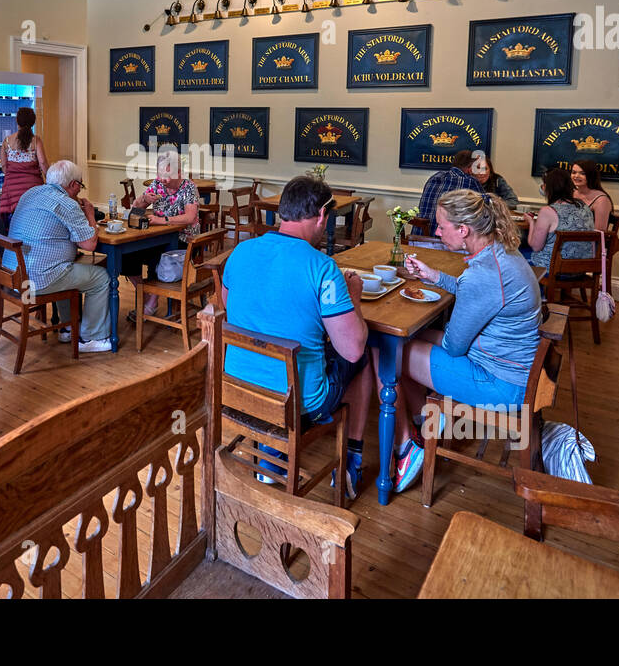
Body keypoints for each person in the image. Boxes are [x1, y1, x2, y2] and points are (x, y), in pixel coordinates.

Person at [220, 175, 373, 499]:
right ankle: (352, 462)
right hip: (298, 402)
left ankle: (272, 459)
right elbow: (352, 349)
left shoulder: (240, 252)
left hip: (235, 386)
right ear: (321, 216)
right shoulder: (323, 267)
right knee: (367, 356)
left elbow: (229, 308)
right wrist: (354, 298)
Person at [387, 189, 542, 492]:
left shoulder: (482, 275)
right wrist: (436, 277)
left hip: (502, 385)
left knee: (389, 351)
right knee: (412, 338)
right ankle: (425, 419)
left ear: (463, 230)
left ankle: (409, 447)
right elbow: (481, 295)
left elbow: (454, 347)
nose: (436, 231)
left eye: (441, 226)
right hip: (517, 368)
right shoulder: (502, 254)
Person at [5, 160, 114, 353]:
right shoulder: (66, 203)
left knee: (64, 266)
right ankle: (91, 338)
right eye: (80, 186)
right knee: (101, 278)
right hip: (35, 280)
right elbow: (89, 244)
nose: (79, 191)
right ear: (74, 185)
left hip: (12, 274)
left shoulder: (31, 193)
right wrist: (90, 215)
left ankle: (68, 327)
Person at [124, 147, 200, 318]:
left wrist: (162, 220)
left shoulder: (189, 188)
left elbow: (190, 217)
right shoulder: (157, 185)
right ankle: (147, 293)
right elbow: (135, 210)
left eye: (167, 176)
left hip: (184, 241)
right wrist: (144, 199)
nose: (163, 180)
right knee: (127, 258)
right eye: (160, 176)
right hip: (156, 238)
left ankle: (151, 303)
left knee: (159, 259)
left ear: (179, 172)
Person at [527, 167, 596, 274]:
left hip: (553, 268)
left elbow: (536, 246)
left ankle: (537, 290)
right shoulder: (584, 206)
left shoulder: (548, 211)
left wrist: (531, 222)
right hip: (582, 268)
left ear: (548, 188)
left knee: (518, 254)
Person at [0, 106, 48, 231]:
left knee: (14, 228)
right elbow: (43, 164)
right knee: (34, 227)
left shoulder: (7, 141)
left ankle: (14, 248)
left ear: (17, 121)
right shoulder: (36, 141)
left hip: (12, 191)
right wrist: (53, 181)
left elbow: (4, 167)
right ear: (33, 122)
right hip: (33, 190)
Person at [417, 149, 484, 223]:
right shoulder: (470, 181)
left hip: (418, 233)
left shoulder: (435, 176)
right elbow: (485, 209)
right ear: (470, 168)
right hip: (445, 233)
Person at [571, 159, 614, 232]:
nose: (576, 176)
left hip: (588, 240)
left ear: (591, 175)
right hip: (565, 237)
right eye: (574, 172)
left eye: (582, 173)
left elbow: (599, 233)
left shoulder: (601, 200)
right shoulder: (571, 193)